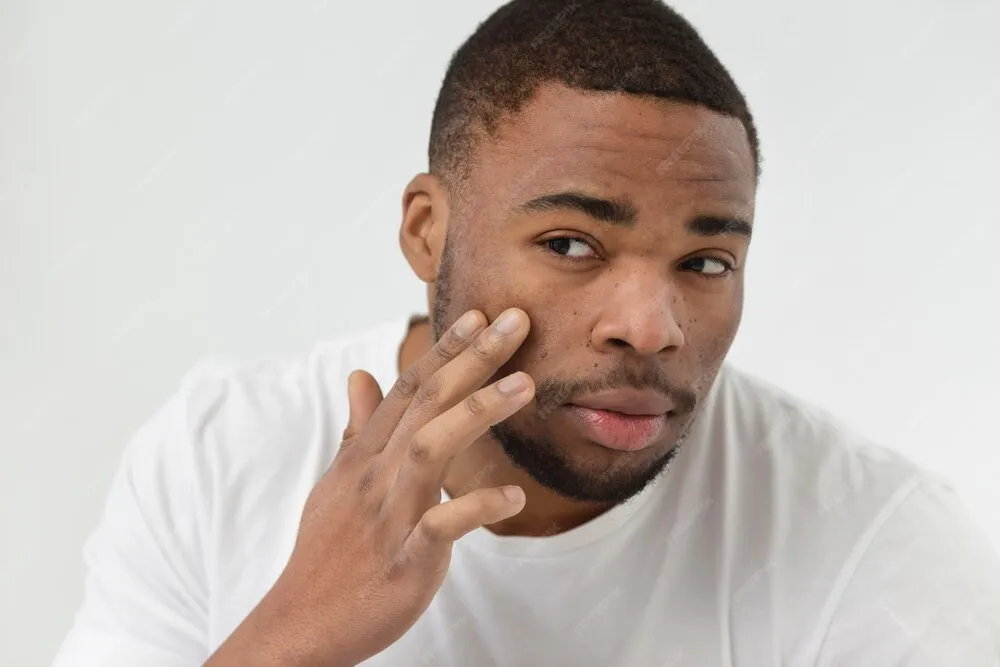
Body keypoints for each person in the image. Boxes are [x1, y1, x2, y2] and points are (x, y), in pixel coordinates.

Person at [53, 1, 1000, 665]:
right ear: (428, 230)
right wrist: (297, 630)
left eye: (705, 262)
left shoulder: (872, 538)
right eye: (571, 243)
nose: (649, 327)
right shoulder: (220, 454)